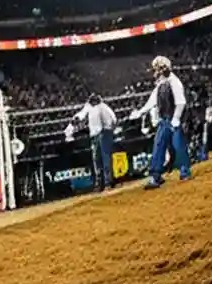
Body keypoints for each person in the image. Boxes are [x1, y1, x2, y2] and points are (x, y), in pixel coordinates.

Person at [129, 56, 193, 189]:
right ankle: (155, 176)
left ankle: (184, 171)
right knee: (158, 146)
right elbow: (152, 101)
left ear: (162, 69)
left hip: (173, 119)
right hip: (164, 121)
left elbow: (180, 102)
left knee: (178, 146)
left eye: (156, 69)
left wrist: (176, 119)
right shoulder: (161, 84)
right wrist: (140, 112)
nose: (154, 72)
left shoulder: (174, 82)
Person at [66, 93, 118, 191]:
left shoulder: (103, 107)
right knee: (97, 159)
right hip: (95, 135)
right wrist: (74, 122)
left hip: (104, 133)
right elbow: (81, 115)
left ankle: (108, 181)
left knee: (105, 157)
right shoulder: (89, 107)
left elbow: (113, 119)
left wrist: (110, 129)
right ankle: (100, 182)